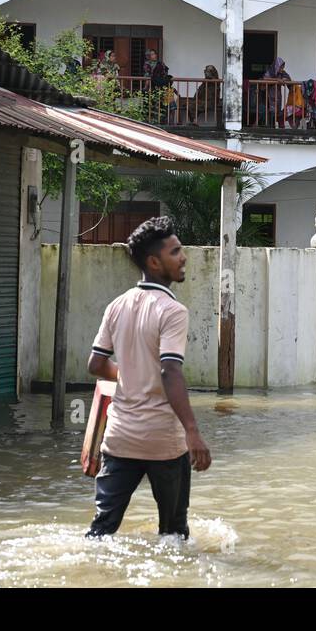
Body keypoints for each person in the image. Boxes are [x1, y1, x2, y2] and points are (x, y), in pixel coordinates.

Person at [86, 216, 212, 537]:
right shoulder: (173, 311)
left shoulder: (117, 305)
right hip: (163, 444)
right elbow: (170, 371)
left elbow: (96, 365)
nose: (184, 258)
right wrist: (193, 432)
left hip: (119, 440)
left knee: (101, 532)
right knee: (173, 535)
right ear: (155, 262)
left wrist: (129, 375)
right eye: (175, 252)